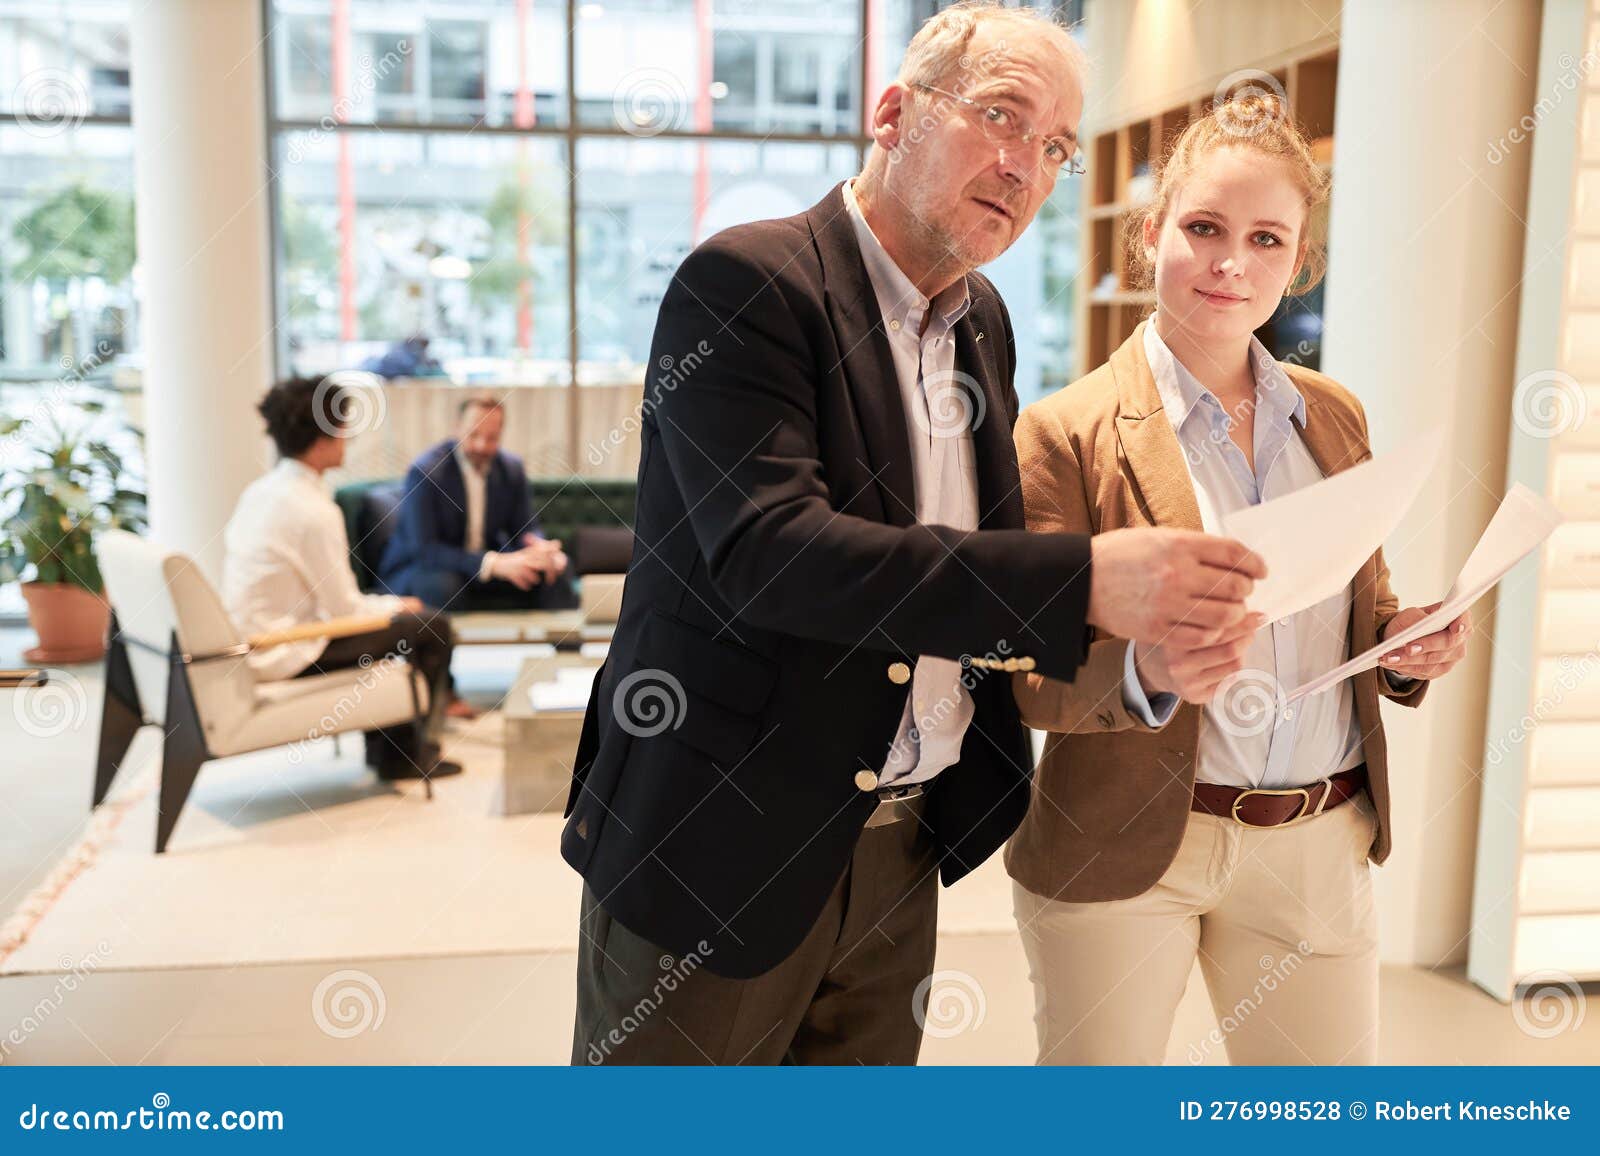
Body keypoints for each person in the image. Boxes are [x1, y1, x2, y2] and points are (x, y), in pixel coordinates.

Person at [562, 0, 1269, 1067]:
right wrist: (1080, 580)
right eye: (1000, 116)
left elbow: (952, 591)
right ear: (893, 112)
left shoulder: (981, 318)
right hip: (718, 839)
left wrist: (1140, 657)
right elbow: (772, 556)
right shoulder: (749, 284)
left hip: (895, 847)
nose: (1026, 166)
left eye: (1056, 149)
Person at [1005, 93, 1472, 1065]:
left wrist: (1404, 645)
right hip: (1127, 840)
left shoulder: (1332, 416)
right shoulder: (1065, 431)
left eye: (1266, 238)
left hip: (1315, 836)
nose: (1230, 262)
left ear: (1298, 259)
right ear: (1150, 233)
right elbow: (1023, 674)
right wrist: (1146, 671)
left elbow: (1358, 603)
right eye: (1204, 227)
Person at [222, 377, 462, 782]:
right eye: (341, 427)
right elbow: (345, 610)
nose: (346, 436)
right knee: (431, 627)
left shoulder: (261, 492)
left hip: (255, 639)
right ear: (322, 438)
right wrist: (398, 606)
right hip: (285, 649)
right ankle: (402, 757)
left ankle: (391, 746)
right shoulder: (312, 510)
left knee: (401, 624)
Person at [379, 395, 572, 617]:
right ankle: (441, 653)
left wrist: (538, 547)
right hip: (420, 568)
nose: (481, 445)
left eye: (492, 438)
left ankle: (566, 650)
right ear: (457, 428)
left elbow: (524, 528)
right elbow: (425, 550)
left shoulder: (511, 469)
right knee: (443, 585)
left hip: (478, 566)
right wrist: (493, 563)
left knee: (556, 569)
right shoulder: (426, 472)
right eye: (474, 435)